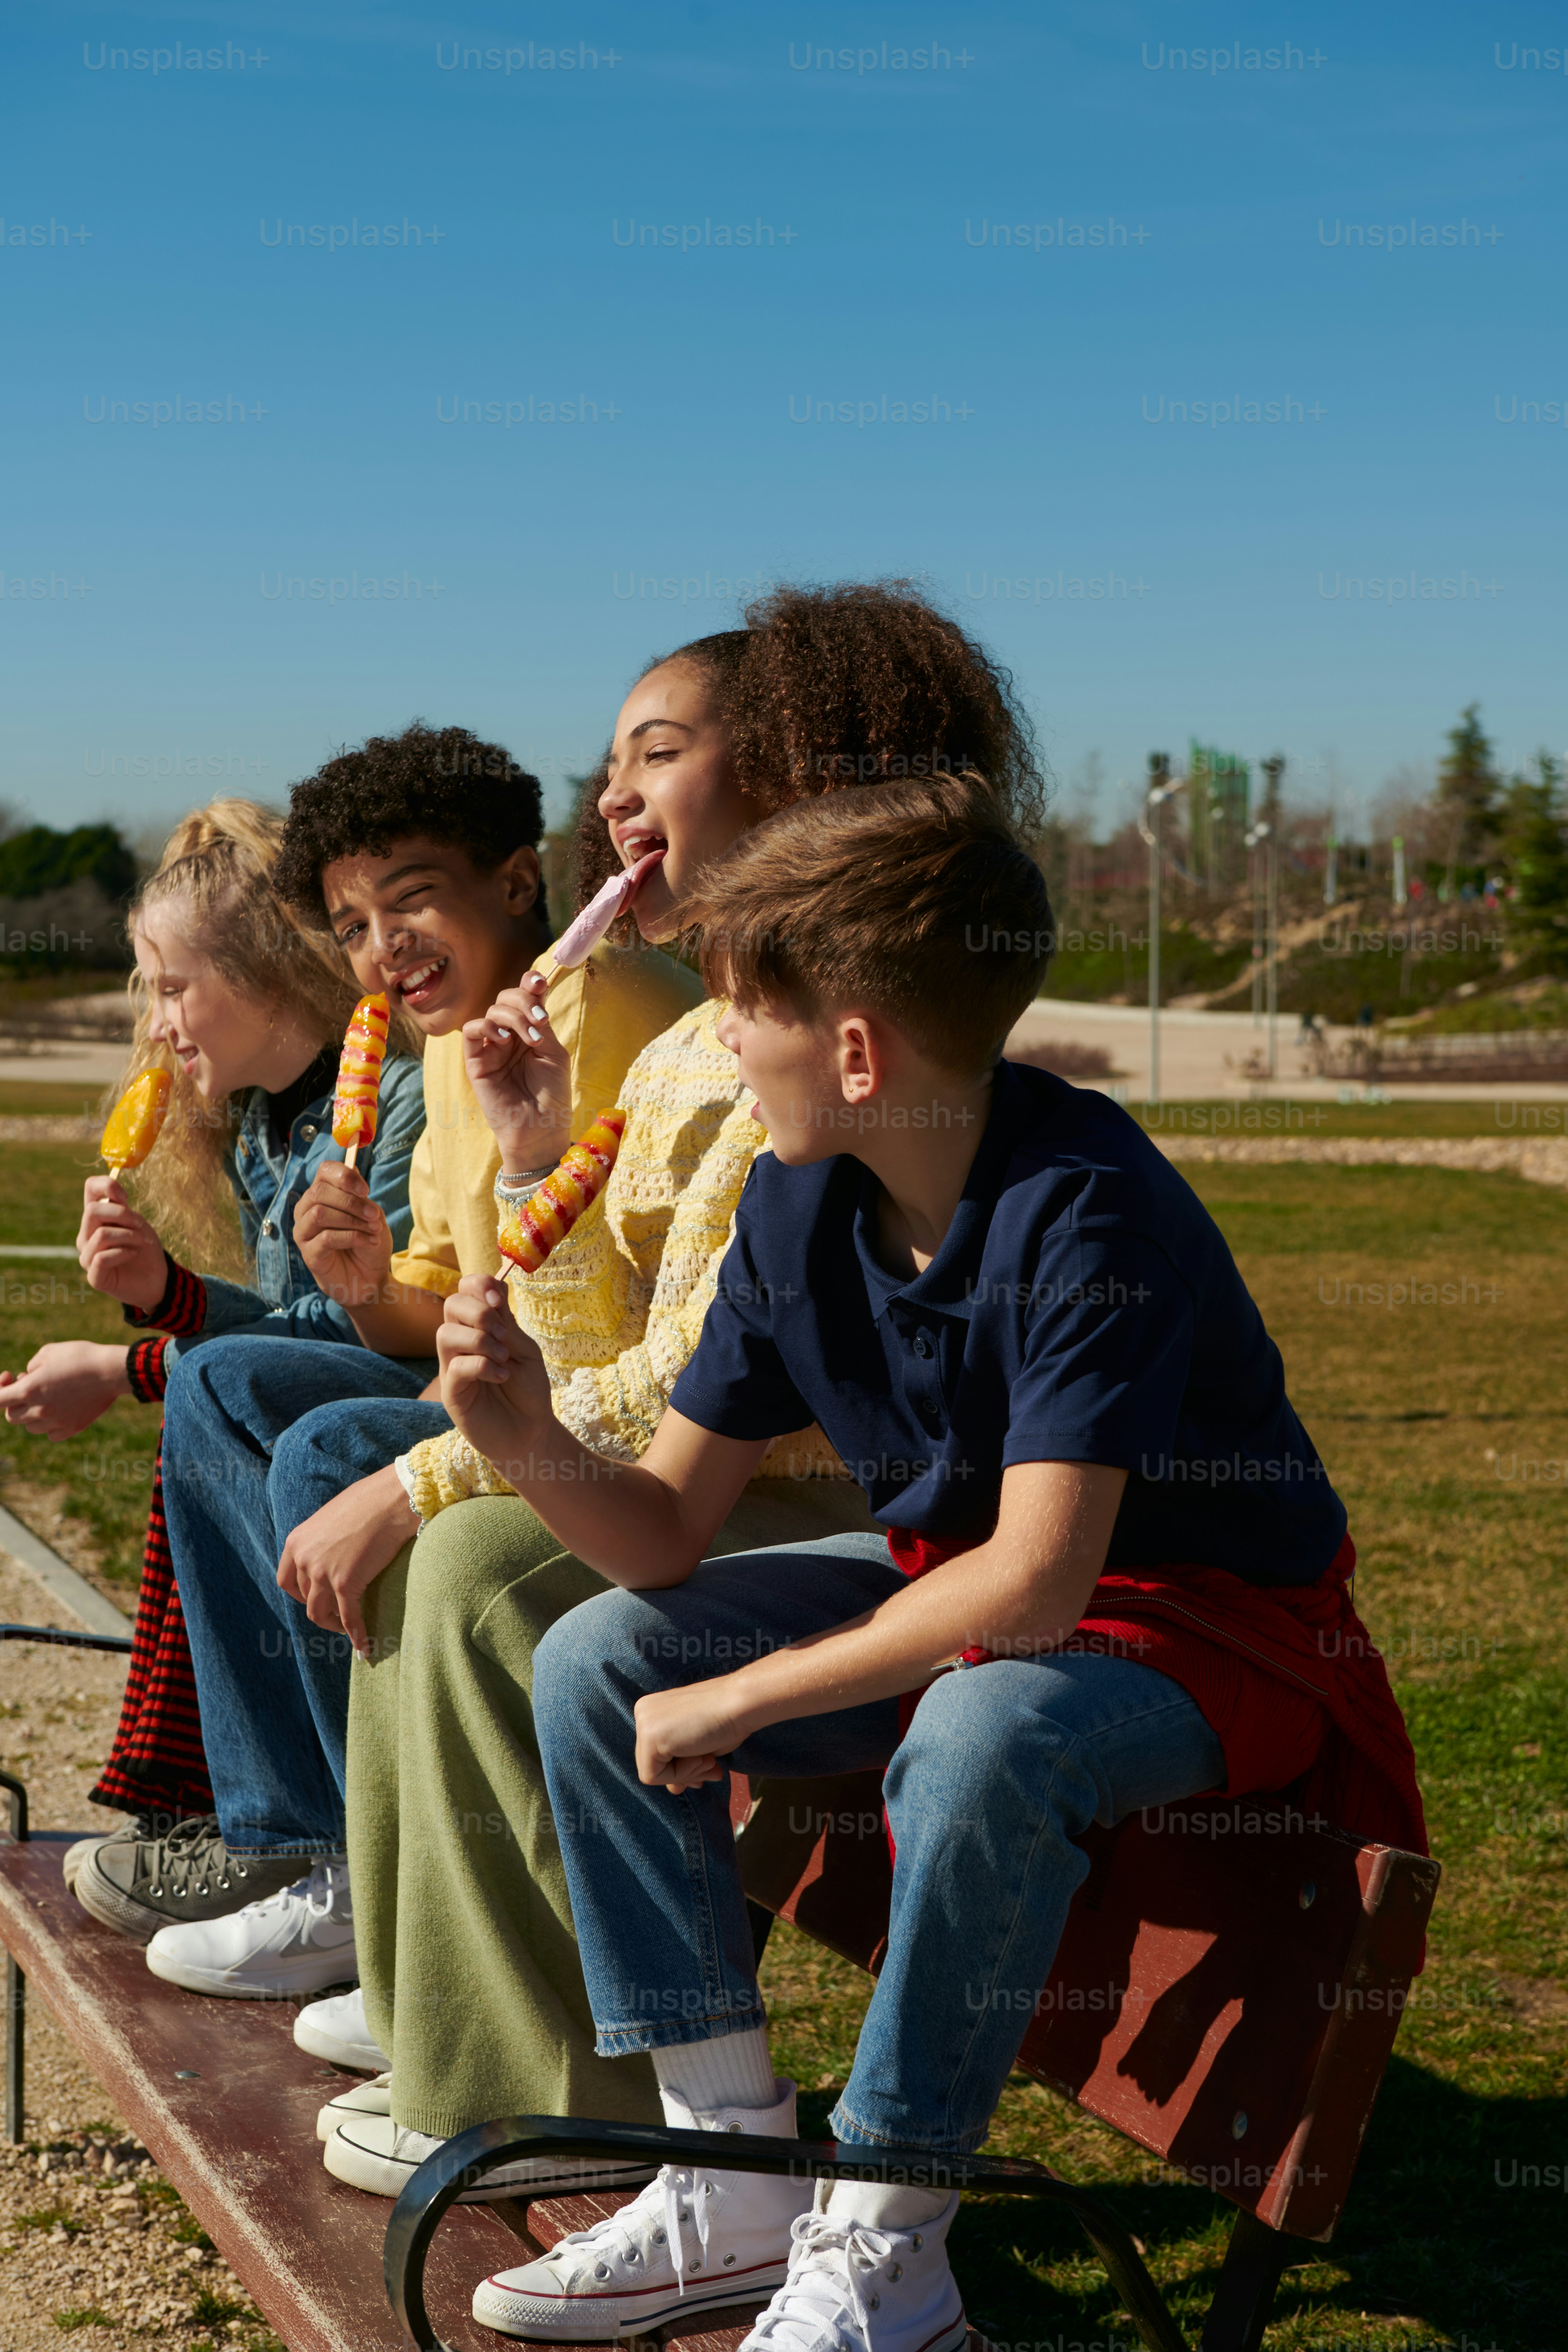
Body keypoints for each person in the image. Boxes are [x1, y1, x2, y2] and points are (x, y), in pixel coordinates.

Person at [440, 779, 1426, 2347]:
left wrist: (749, 1695)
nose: (723, 1046)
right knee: (598, 1655)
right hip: (963, 1594)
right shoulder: (794, 1203)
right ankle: (729, 2172)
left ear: (852, 1050)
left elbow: (1039, 1588)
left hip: (1210, 1641)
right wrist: (518, 1435)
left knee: (980, 1722)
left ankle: (892, 2245)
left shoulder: (1084, 1215)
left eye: (743, 1012)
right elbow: (661, 1530)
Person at [297, 584, 1051, 2201]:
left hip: (845, 1507)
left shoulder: (798, 1053)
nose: (615, 800)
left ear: (791, 781)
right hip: (718, 1481)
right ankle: (448, 2006)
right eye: (611, 764)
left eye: (660, 754)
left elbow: (700, 1398)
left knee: (483, 1563)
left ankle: (539, 2081)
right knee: (361, 1474)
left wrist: (436, 1476)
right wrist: (525, 1154)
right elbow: (606, 1368)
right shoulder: (698, 1044)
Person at [89, 726, 698, 2024]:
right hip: (486, 1383)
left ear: (520, 886)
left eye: (410, 898)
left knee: (319, 1452)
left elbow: (620, 1312)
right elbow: (425, 1305)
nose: (382, 947)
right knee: (220, 1383)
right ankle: (299, 1835)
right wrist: (369, 1282)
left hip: (602, 1426)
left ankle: (386, 1884)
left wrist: (418, 1400)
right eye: (353, 922)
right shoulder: (442, 1047)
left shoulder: (625, 1012)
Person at [0, 798, 424, 1886]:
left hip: (417, 1425)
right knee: (217, 1388)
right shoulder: (260, 1121)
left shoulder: (389, 1101)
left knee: (220, 1393)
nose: (159, 1023)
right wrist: (166, 1299)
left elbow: (349, 1333)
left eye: (175, 987)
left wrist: (161, 1328)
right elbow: (293, 1328)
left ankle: (288, 1842)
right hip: (328, 1404)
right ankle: (240, 1822)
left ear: (268, 968)